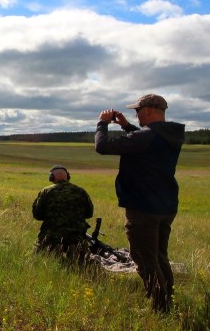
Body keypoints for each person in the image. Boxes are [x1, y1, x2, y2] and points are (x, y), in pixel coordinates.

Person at [95, 94, 185, 313]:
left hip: (144, 207)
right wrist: (127, 126)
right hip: (165, 205)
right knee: (159, 255)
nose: (136, 114)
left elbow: (102, 145)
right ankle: (166, 298)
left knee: (144, 258)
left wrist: (102, 123)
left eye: (138, 111)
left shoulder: (148, 136)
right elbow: (145, 138)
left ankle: (159, 307)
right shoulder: (168, 134)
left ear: (148, 111)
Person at [32, 165, 94, 265]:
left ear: (51, 177)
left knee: (37, 256)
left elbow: (37, 215)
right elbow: (89, 213)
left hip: (52, 235)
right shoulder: (81, 191)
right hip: (76, 236)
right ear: (68, 176)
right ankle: (74, 253)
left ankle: (55, 251)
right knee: (82, 260)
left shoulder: (46, 191)